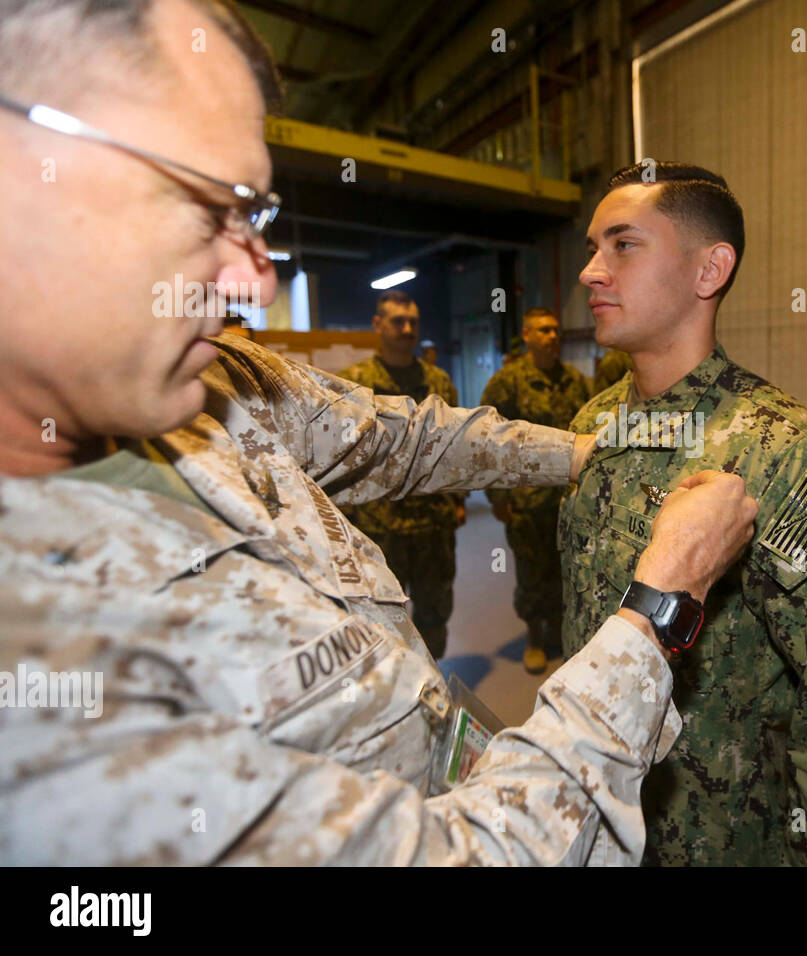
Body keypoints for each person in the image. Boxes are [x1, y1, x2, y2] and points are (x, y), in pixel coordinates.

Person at [0, 0, 759, 865]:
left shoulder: (207, 389)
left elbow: (398, 439)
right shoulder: (42, 693)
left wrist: (573, 452)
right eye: (212, 202)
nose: (254, 278)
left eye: (255, 212)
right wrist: (659, 605)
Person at [561, 162, 807, 866]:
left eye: (623, 245)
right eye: (591, 247)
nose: (591, 272)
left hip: (718, 840)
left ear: (709, 270)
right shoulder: (595, 426)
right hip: (597, 818)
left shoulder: (788, 458)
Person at [337, 292, 466, 659]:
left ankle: (434, 686)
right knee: (381, 615)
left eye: (413, 322)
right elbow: (341, 457)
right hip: (377, 527)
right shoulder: (355, 384)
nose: (407, 329)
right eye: (397, 321)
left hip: (433, 524)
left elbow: (457, 449)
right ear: (377, 324)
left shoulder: (438, 382)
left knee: (435, 610)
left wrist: (459, 502)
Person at [480, 308, 591, 673]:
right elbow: (486, 440)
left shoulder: (575, 381)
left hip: (567, 498)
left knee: (566, 569)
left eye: (556, 330)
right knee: (531, 571)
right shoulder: (507, 382)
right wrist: (497, 496)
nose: (552, 336)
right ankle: (533, 637)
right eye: (543, 330)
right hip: (526, 501)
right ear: (526, 335)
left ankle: (561, 632)